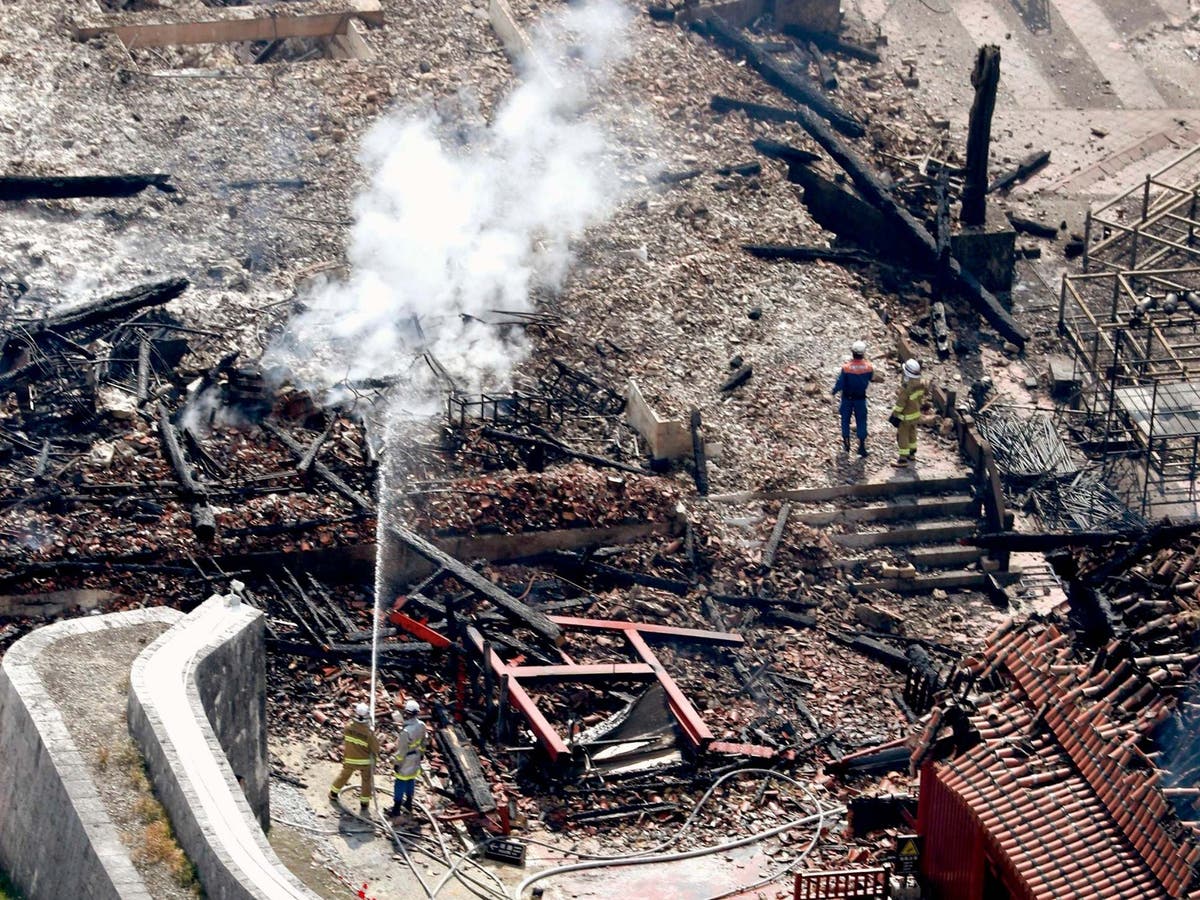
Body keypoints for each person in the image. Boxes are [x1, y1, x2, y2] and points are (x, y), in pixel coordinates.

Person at [329, 702, 379, 813]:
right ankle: (364, 803)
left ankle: (333, 793)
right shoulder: (369, 733)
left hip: (350, 758)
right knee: (366, 780)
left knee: (343, 776)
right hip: (365, 762)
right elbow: (375, 749)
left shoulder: (348, 727)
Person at [832, 340, 874, 457]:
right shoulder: (869, 367)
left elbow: (840, 383)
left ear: (852, 353)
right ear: (863, 353)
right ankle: (861, 447)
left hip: (847, 399)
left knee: (845, 419)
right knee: (861, 421)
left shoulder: (846, 368)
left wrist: (833, 391)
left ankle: (846, 444)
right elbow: (870, 378)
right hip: (860, 398)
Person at [389, 699, 428, 819]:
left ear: (407, 712)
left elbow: (402, 750)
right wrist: (421, 754)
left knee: (400, 783)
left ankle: (396, 808)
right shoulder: (422, 725)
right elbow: (423, 742)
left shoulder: (406, 731)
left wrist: (397, 763)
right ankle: (409, 803)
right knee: (411, 780)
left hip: (406, 759)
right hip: (416, 757)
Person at [889, 358, 927, 467]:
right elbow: (921, 399)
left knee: (903, 435)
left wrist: (895, 414)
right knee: (912, 433)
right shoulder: (921, 384)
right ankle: (912, 454)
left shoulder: (906, 388)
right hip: (916, 414)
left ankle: (903, 459)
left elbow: (901, 404)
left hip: (905, 417)